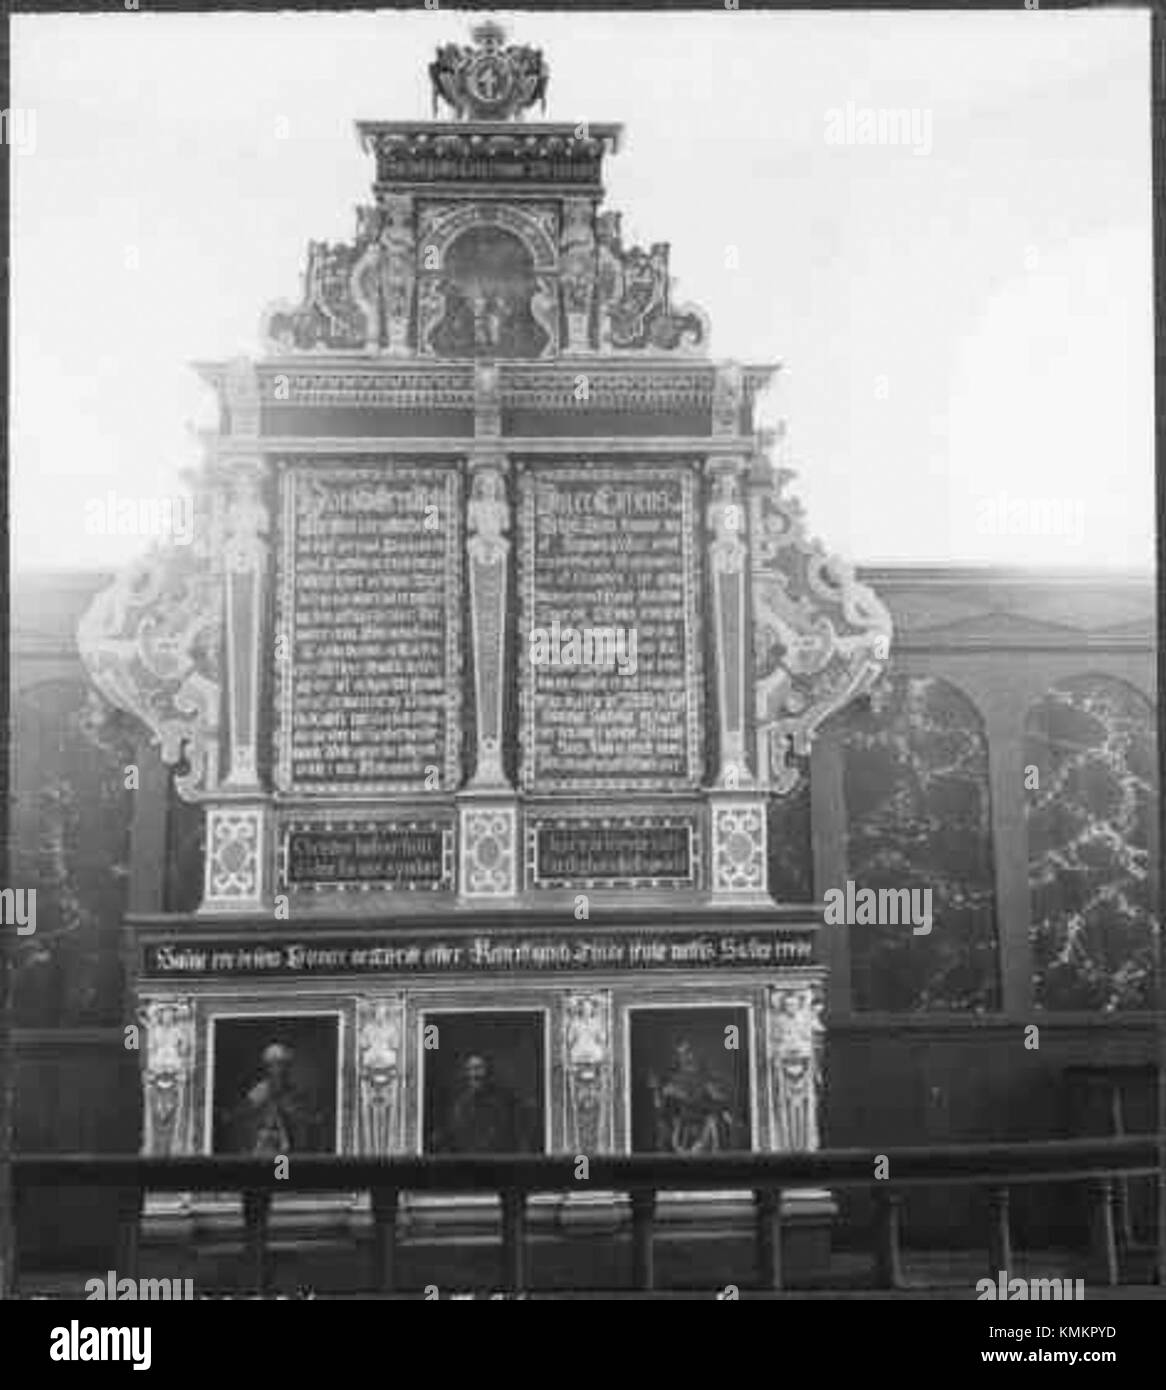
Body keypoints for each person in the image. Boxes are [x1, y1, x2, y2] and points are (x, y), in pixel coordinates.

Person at [227, 1042, 322, 1155]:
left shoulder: (293, 1092)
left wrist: (310, 1117)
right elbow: (245, 1108)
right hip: (264, 1144)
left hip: (287, 1145)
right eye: (274, 1065)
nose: (279, 1069)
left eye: (282, 1065)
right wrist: (231, 1114)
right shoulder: (262, 1089)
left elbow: (302, 1115)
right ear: (268, 1068)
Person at [434, 1053, 535, 1154]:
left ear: (488, 1071)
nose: (473, 1074)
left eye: (478, 1068)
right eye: (469, 1069)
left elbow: (517, 1138)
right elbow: (451, 1135)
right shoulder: (460, 1103)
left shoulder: (506, 1101)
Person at [649, 1038, 735, 1154]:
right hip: (680, 1125)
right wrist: (658, 1091)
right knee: (664, 1126)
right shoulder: (671, 1080)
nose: (688, 1057)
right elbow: (661, 1105)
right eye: (683, 1054)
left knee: (716, 1121)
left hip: (703, 1123)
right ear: (678, 1057)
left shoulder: (706, 1079)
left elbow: (718, 1098)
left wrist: (723, 1109)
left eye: (689, 1052)